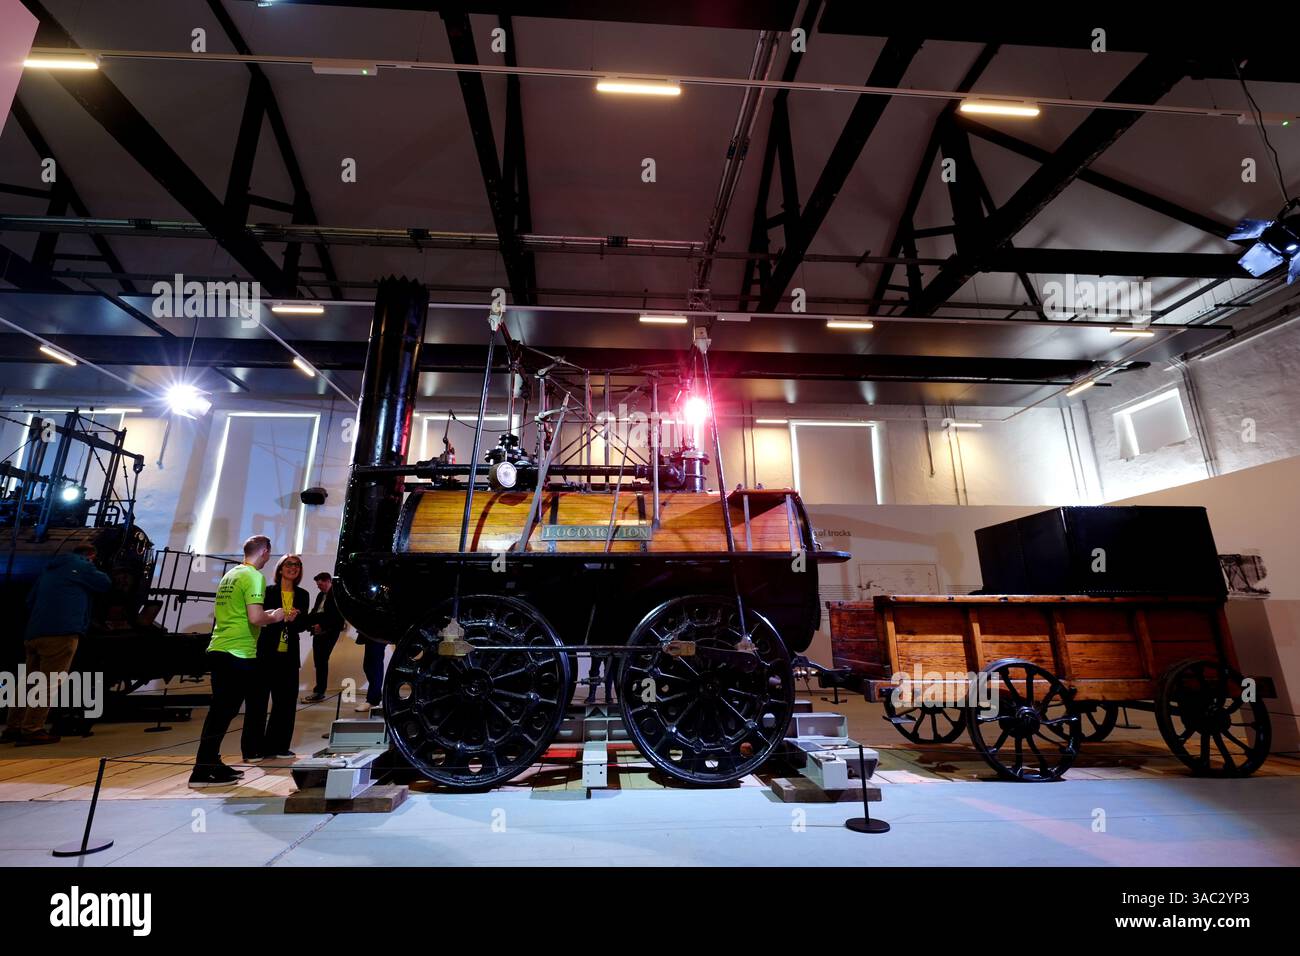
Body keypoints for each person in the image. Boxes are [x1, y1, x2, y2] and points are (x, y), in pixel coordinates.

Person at [189, 535, 297, 787]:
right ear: (265, 551)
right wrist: (277, 615)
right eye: (269, 554)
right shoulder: (254, 577)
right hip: (238, 652)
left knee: (222, 712)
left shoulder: (231, 575)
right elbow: (256, 618)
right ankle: (202, 770)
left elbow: (242, 612)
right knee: (222, 712)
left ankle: (209, 763)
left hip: (220, 647)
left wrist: (268, 614)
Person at [3, 544, 110, 746]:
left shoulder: (48, 570)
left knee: (27, 683)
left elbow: (29, 601)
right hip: (61, 632)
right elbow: (104, 583)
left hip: (34, 633)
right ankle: (33, 729)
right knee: (49, 682)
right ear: (90, 556)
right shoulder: (82, 565)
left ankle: (13, 727)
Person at [248, 554, 310, 760]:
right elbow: (258, 619)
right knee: (258, 701)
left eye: (298, 565)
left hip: (289, 655)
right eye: (289, 564)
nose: (294, 568)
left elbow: (303, 625)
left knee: (285, 703)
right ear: (280, 568)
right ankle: (253, 748)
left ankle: (279, 746)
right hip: (266, 653)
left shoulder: (303, 594)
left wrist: (295, 620)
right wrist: (277, 617)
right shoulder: (267, 592)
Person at [301, 571, 345, 704]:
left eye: (320, 585)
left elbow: (336, 617)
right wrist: (309, 624)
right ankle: (319, 690)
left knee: (321, 661)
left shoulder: (336, 594)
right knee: (318, 661)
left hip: (329, 631)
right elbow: (315, 611)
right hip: (318, 630)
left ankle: (319, 691)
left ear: (328, 581)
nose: (319, 587)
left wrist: (322, 626)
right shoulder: (321, 595)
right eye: (318, 585)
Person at [356, 632, 386, 713]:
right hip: (374, 631)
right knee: (369, 665)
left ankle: (373, 700)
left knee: (373, 664)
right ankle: (375, 698)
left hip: (382, 629)